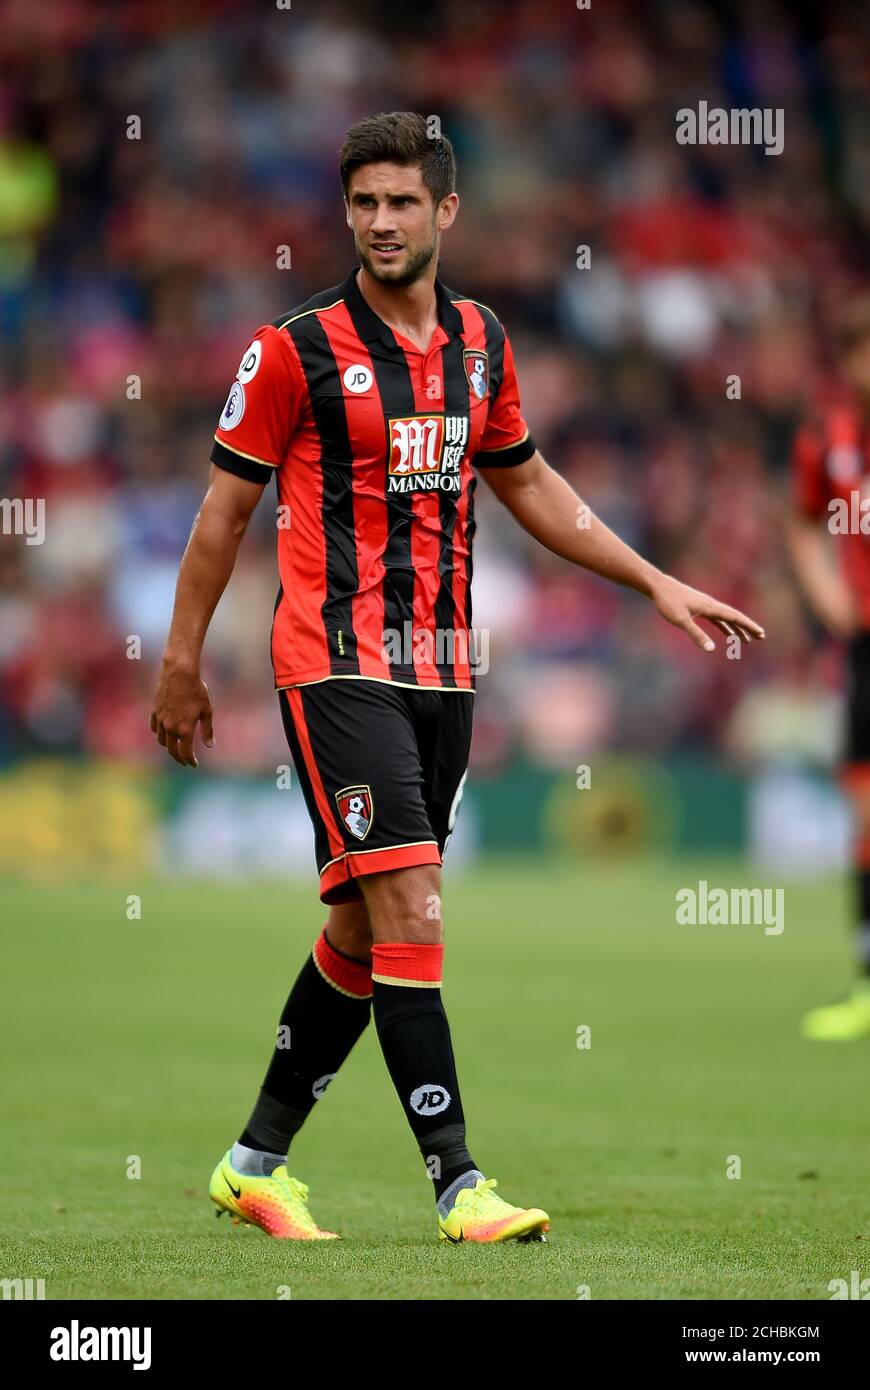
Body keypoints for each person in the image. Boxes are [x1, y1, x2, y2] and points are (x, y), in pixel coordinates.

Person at [149, 111, 764, 1242]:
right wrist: (181, 659)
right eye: (364, 202)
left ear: (446, 211)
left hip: (446, 675)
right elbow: (223, 511)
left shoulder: (482, 341)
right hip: (333, 664)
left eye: (401, 201)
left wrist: (653, 580)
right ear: (347, 212)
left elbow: (528, 485)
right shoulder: (292, 349)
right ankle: (458, 1181)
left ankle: (252, 1164)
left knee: (356, 932)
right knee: (414, 905)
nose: (381, 221)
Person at [788, 296, 870, 1040]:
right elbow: (805, 523)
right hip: (866, 649)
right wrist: (826, 594)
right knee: (866, 817)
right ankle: (867, 985)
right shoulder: (830, 438)